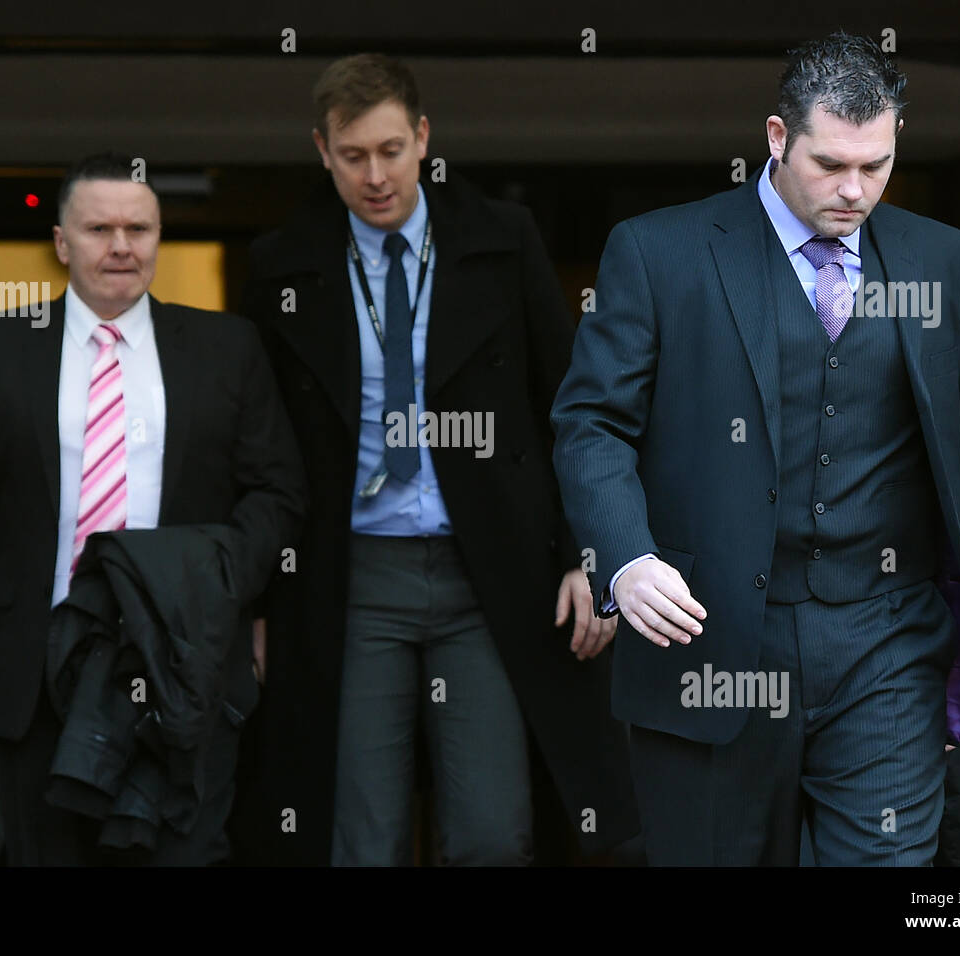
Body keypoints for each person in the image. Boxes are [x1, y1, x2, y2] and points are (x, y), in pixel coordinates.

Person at [551, 32, 960, 865]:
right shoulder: (660, 252)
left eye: (878, 165)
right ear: (775, 137)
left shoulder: (938, 259)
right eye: (831, 164)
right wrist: (625, 559)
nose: (856, 190)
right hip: (711, 639)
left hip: (888, 640)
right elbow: (591, 424)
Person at [237, 53, 639, 865]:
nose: (376, 175)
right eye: (354, 156)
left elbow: (570, 403)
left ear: (423, 137)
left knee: (493, 828)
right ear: (322, 150)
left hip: (490, 571)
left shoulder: (500, 238)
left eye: (391, 149)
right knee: (362, 833)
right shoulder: (282, 263)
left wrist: (585, 555)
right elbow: (259, 446)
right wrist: (254, 599)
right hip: (349, 577)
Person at [0, 153, 306, 865]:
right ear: (61, 243)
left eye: (139, 229)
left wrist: (214, 580)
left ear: (158, 237)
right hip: (36, 666)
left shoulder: (226, 346)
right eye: (100, 228)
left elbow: (277, 491)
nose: (121, 246)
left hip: (183, 665)